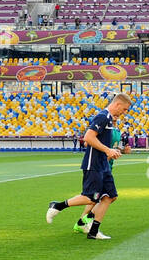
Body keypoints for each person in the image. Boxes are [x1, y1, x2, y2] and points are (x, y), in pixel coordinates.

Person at [46, 93, 133, 239]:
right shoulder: (103, 117)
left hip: (103, 164)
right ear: (117, 104)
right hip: (94, 164)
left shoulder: (110, 120)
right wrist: (108, 150)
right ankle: (57, 206)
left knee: (111, 196)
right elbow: (88, 138)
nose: (124, 113)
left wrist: (114, 151)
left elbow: (101, 142)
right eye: (124, 109)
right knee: (90, 198)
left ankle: (93, 231)